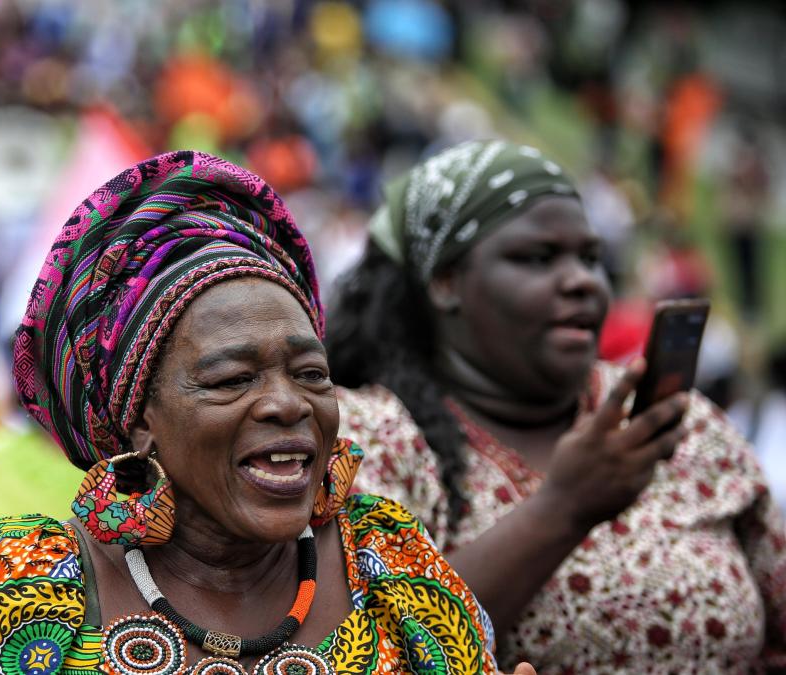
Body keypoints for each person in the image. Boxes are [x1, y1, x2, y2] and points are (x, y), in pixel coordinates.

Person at [0, 150, 525, 674]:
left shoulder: (390, 564)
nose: (287, 403)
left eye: (311, 374)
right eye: (232, 379)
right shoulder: (27, 584)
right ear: (139, 419)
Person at [326, 139, 786, 672]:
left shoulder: (679, 422)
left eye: (591, 258)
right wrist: (563, 508)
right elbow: (372, 649)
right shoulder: (368, 439)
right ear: (446, 283)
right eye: (538, 258)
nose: (582, 281)